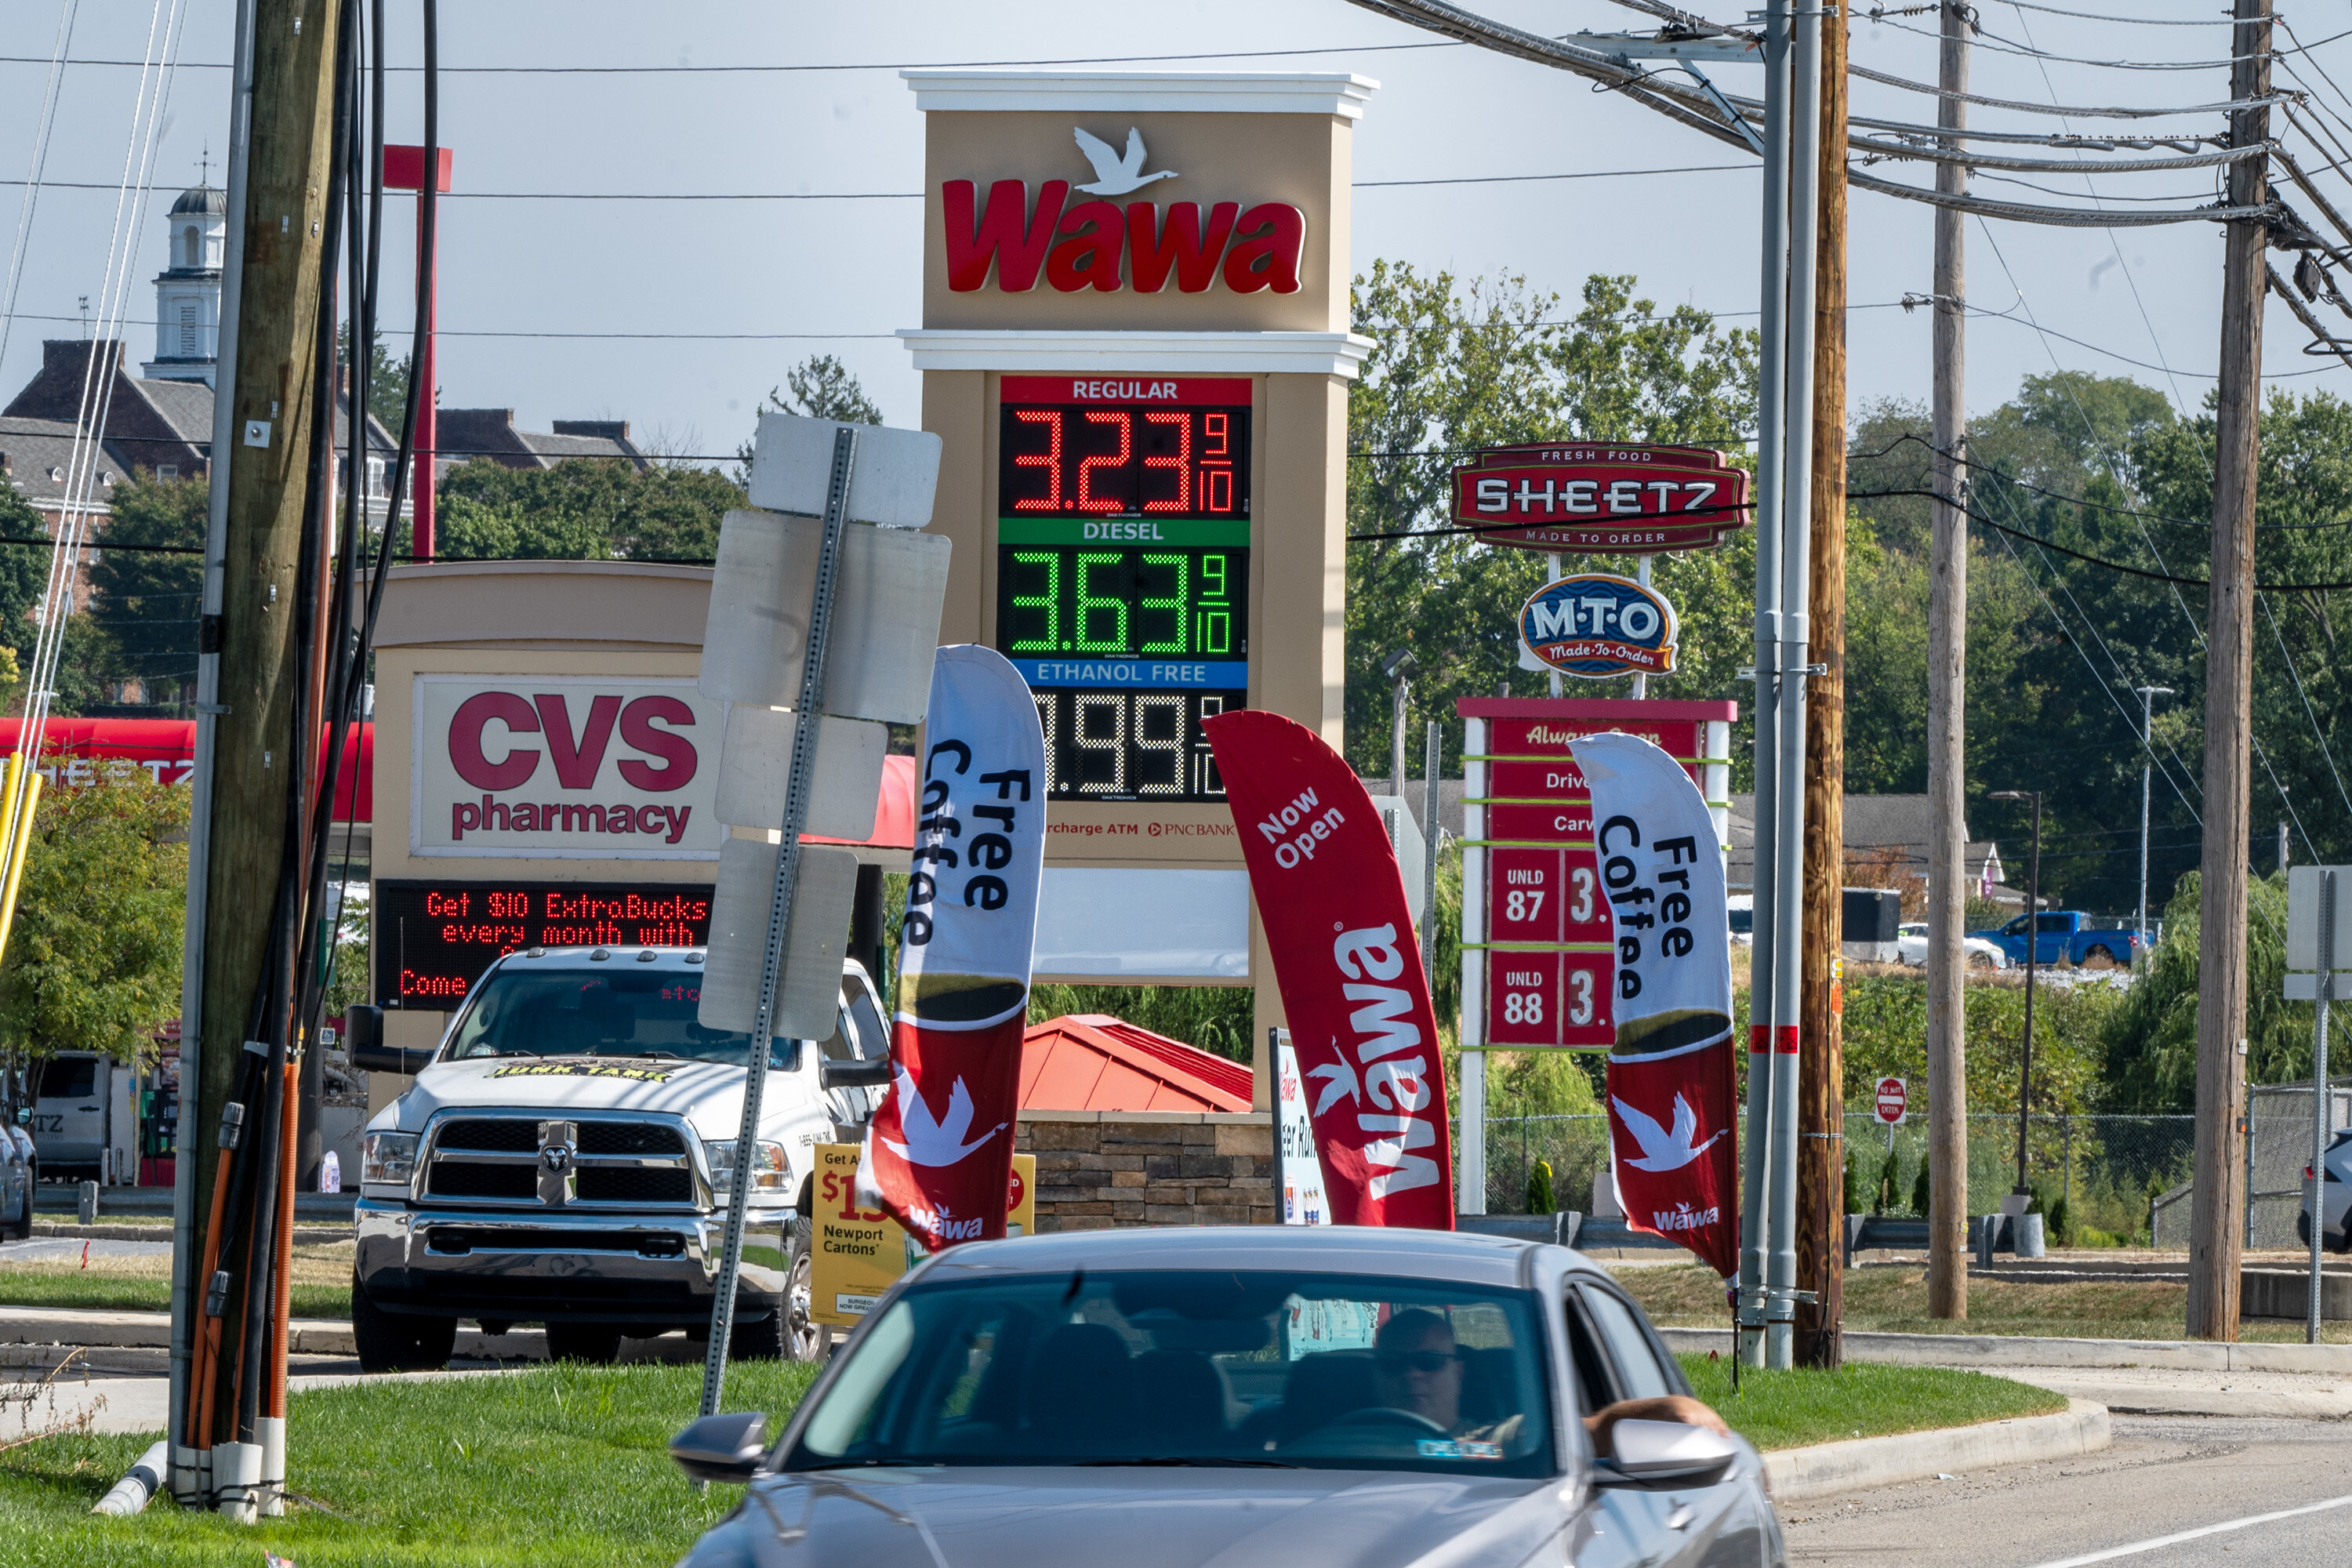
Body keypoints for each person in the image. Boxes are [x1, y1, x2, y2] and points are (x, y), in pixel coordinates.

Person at [1371, 1308, 1728, 1457]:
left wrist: (1670, 1410)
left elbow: (1583, 1434)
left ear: (1459, 1373)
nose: (1411, 1374)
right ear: (1375, 1374)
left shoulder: (1500, 1443)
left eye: (1428, 1363)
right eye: (1393, 1365)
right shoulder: (1325, 1443)